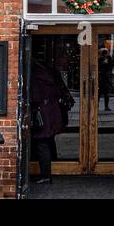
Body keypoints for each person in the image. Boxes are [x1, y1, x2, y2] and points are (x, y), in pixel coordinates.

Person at [29, 57, 71, 185]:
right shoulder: (50, 73)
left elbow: (34, 97)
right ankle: (53, 165)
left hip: (42, 113)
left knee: (41, 143)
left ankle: (46, 175)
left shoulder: (35, 75)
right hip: (52, 111)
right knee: (48, 140)